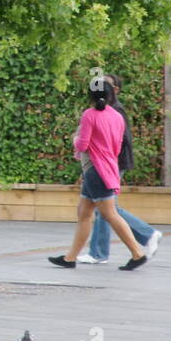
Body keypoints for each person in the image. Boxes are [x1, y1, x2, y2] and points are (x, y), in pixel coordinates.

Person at [49, 80, 149, 271]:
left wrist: (75, 140)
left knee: (109, 213)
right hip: (108, 168)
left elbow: (83, 145)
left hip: (96, 170)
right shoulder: (117, 116)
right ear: (112, 94)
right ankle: (70, 258)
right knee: (84, 212)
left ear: (90, 96)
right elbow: (118, 146)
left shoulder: (89, 115)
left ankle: (137, 253)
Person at [76, 75, 163, 264]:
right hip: (109, 163)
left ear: (115, 89)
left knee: (108, 209)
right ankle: (96, 253)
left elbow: (118, 142)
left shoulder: (113, 111)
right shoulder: (110, 110)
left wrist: (81, 143)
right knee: (97, 209)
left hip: (109, 164)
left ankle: (145, 235)